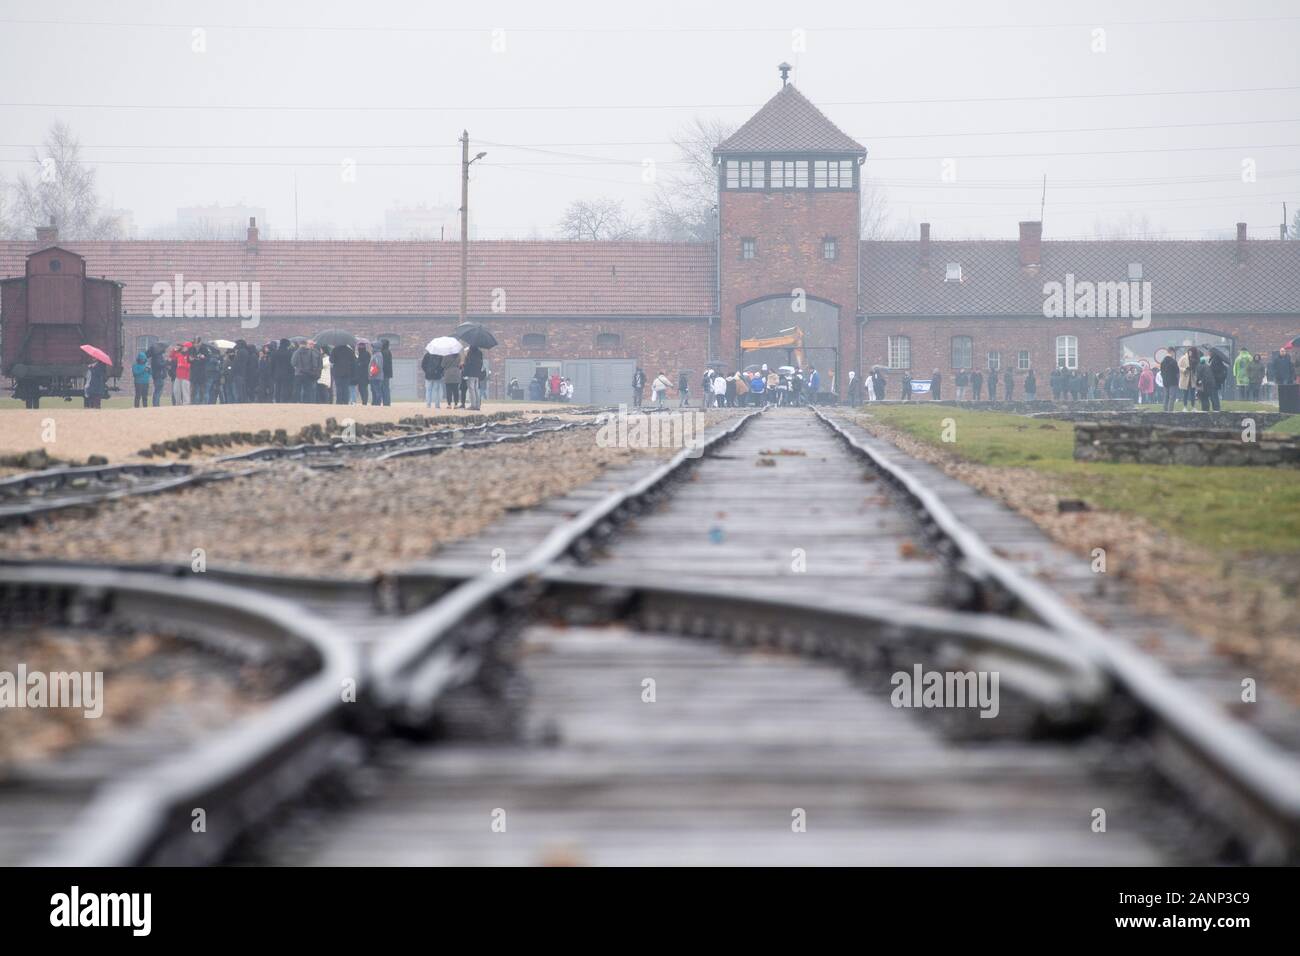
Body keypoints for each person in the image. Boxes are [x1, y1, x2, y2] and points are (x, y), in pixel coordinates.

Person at [463, 345, 484, 410]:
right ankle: (477, 405)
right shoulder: (480, 352)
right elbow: (481, 362)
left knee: (471, 390)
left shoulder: (470, 353)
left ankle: (473, 405)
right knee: (476, 390)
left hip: (471, 373)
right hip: (477, 373)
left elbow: (467, 364)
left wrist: (464, 374)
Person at [376, 338, 394, 406]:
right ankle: (386, 402)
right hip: (387, 373)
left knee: (384, 388)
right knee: (386, 388)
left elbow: (383, 364)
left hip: (383, 373)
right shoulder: (388, 351)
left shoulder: (383, 352)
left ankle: (386, 402)